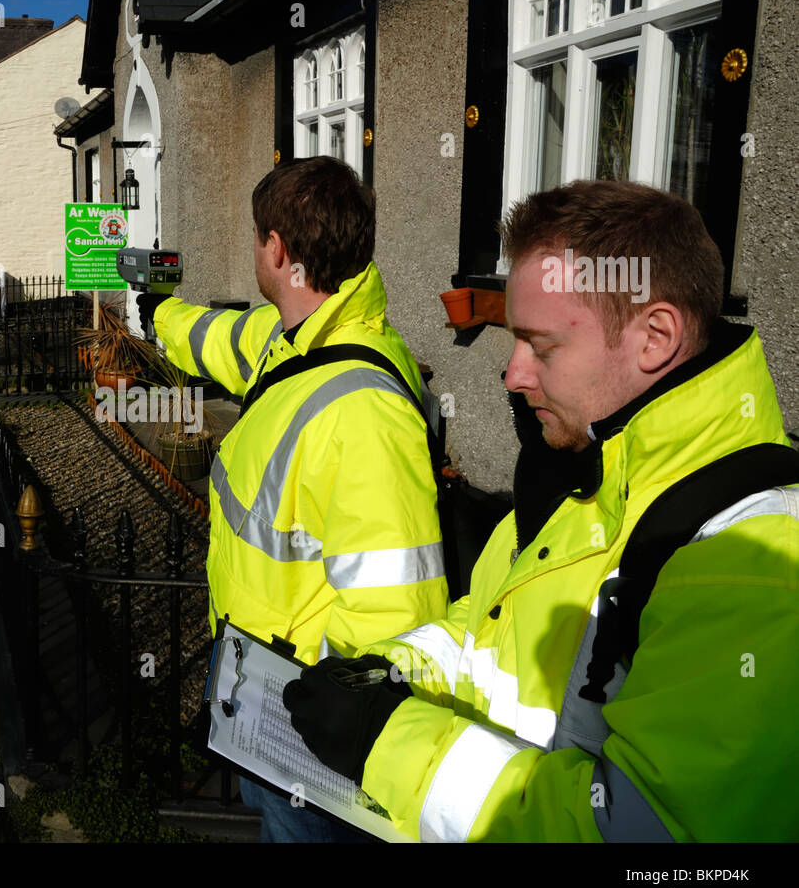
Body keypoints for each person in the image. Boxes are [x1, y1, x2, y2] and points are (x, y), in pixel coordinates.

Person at [283, 179, 799, 841]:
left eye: (542, 345)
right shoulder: (588, 469)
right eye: (511, 340)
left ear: (656, 337)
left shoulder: (756, 559)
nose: (513, 374)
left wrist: (388, 740)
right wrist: (388, 670)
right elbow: (487, 628)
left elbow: (645, 837)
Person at [134, 156, 448, 841]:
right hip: (258, 679)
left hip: (306, 717)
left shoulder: (362, 409)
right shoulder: (295, 338)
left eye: (255, 237)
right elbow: (219, 338)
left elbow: (396, 610)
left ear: (276, 248)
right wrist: (160, 312)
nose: (254, 248)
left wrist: (334, 725)